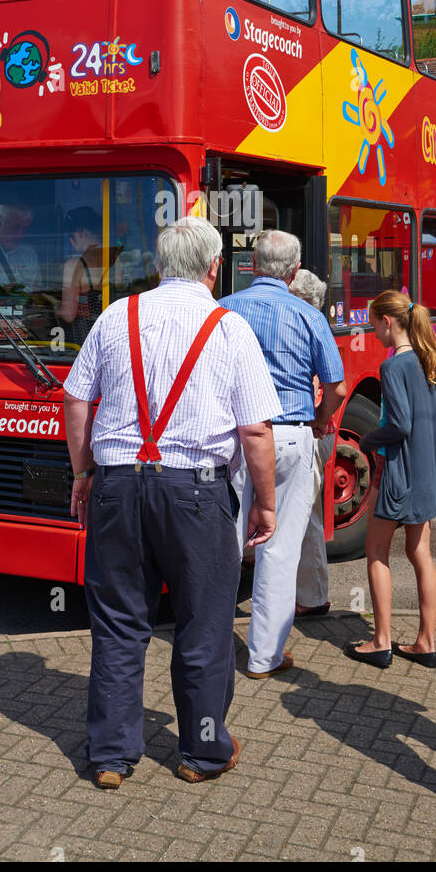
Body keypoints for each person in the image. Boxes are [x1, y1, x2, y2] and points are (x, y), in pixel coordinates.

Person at [63, 216, 282, 789]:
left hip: (117, 486)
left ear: (159, 265)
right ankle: (201, 753)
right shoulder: (228, 328)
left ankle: (110, 756)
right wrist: (266, 502)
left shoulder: (117, 316)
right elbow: (256, 431)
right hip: (196, 493)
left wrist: (83, 472)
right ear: (214, 267)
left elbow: (78, 400)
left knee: (117, 624)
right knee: (204, 626)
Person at [219, 231, 347, 678]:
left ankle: (210, 647)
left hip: (234, 439)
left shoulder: (225, 309)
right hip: (292, 437)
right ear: (294, 272)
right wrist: (318, 421)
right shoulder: (308, 315)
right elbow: (337, 387)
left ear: (252, 264)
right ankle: (263, 657)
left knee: (225, 545)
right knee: (278, 548)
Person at [346, 291, 436, 669]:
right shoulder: (430, 362)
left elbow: (400, 424)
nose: (373, 333)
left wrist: (370, 439)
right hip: (426, 472)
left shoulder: (392, 367)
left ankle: (381, 641)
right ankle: (426, 641)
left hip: (399, 472)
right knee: (420, 554)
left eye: (374, 325)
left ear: (387, 322)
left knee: (376, 553)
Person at [289, 267, 335, 617]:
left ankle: (312, 596)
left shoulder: (305, 325)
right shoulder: (317, 326)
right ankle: (309, 592)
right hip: (319, 430)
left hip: (312, 431)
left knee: (306, 518)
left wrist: (319, 420)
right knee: (307, 514)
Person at [58, 207, 105, 344]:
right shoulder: (116, 259)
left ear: (80, 233)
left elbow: (69, 314)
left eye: (70, 237)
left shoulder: (73, 265)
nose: (70, 243)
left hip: (86, 338)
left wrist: (54, 309)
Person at [0, 203, 40, 292]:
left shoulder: (29, 253)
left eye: (24, 229)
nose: (20, 235)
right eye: (16, 227)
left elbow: (35, 290)